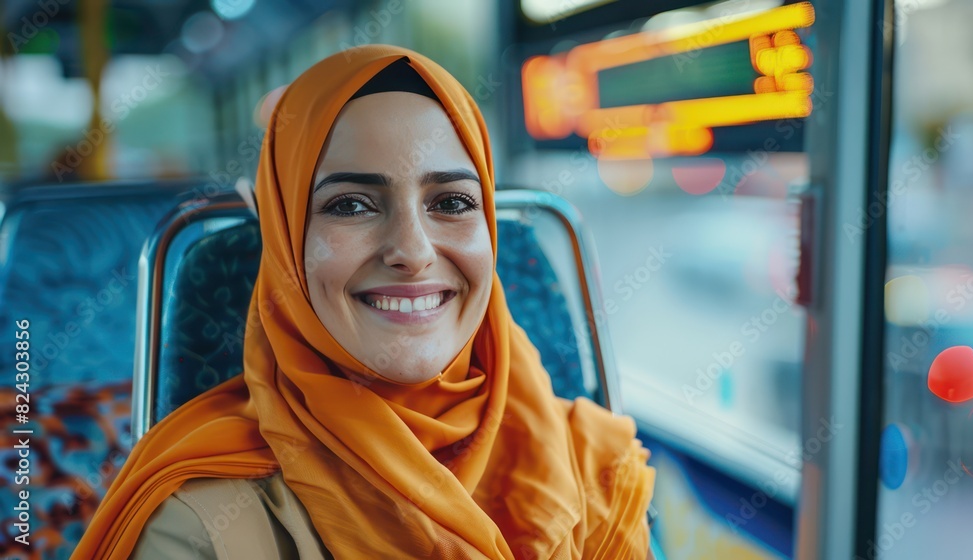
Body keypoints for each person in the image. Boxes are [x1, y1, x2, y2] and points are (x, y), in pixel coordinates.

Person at [72, 45, 655, 559]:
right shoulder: (202, 524)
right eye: (351, 205)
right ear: (284, 242)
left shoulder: (593, 462)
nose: (412, 250)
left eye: (451, 202)